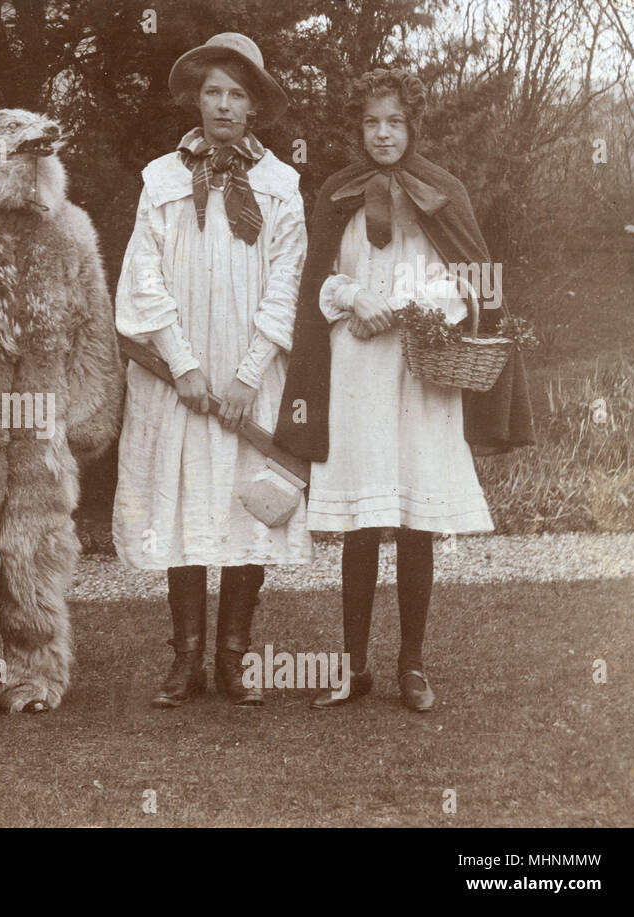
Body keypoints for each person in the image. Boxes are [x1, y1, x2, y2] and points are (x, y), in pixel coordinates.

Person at [274, 68, 534, 712]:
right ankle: (352, 666)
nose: (383, 133)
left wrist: (418, 304)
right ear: (358, 129)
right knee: (365, 520)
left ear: (412, 125)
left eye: (394, 121)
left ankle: (411, 666)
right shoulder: (338, 193)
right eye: (371, 122)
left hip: (425, 372)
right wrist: (354, 297)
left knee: (417, 520)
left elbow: (475, 282)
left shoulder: (442, 191)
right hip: (358, 368)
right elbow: (320, 282)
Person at [114, 33, 312, 709]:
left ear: (254, 106)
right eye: (213, 92)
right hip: (184, 379)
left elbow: (288, 284)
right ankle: (185, 659)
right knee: (183, 500)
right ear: (197, 99)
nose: (224, 105)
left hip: (246, 377)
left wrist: (249, 373)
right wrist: (185, 364)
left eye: (237, 94)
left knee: (245, 503)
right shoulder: (163, 181)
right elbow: (143, 278)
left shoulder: (281, 188)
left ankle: (234, 657)